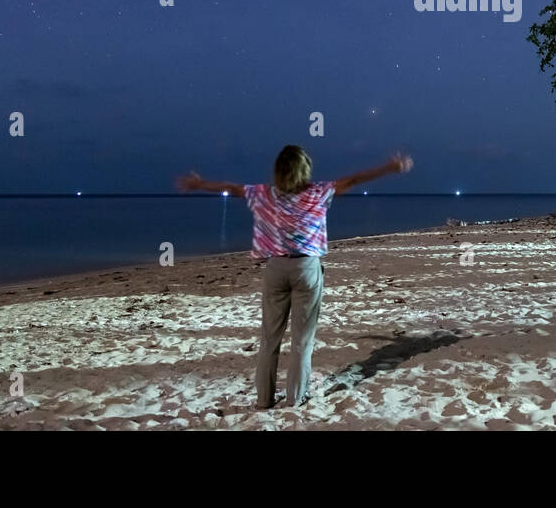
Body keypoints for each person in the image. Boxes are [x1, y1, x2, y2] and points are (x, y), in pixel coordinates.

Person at [177, 146, 413, 409]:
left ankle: (264, 400)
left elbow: (232, 188)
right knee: (302, 341)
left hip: (276, 268)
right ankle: (295, 399)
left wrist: (200, 184)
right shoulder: (318, 192)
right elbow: (354, 180)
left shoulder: (263, 194)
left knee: (269, 340)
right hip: (306, 268)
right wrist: (389, 168)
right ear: (305, 170)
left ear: (278, 170)